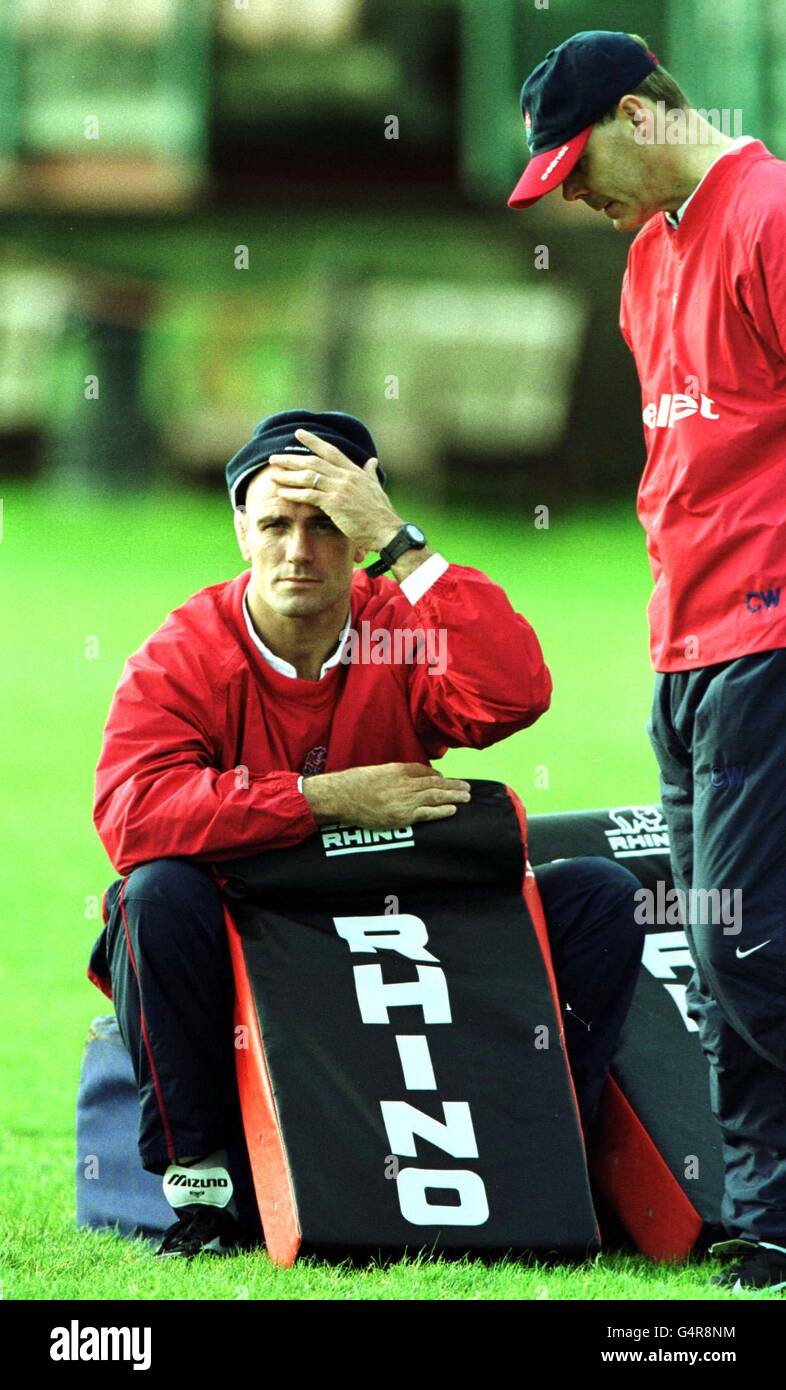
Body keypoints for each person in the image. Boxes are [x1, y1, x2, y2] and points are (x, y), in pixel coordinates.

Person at [87, 407, 643, 1258]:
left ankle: (551, 1160)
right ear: (241, 529)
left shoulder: (398, 621)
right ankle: (200, 1189)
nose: (299, 552)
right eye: (275, 523)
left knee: (602, 896)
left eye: (328, 525)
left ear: (362, 537)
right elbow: (134, 816)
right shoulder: (186, 651)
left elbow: (514, 693)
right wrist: (322, 798)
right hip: (267, 938)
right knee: (154, 893)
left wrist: (403, 542)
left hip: (409, 921)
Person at [509, 28, 786, 1294]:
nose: (573, 194)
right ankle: (766, 1212)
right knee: (709, 930)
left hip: (771, 637)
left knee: (749, 943)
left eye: (581, 162)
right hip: (685, 645)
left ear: (645, 110)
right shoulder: (643, 266)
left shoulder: (770, 213)